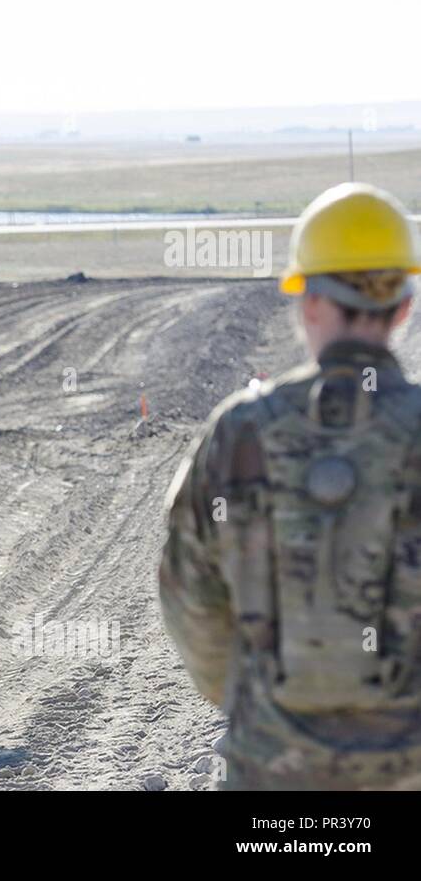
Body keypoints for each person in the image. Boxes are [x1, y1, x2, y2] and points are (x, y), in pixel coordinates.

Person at [159, 182, 421, 790]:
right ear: (404, 306)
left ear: (305, 299)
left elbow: (190, 605)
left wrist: (260, 708)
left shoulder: (239, 431)